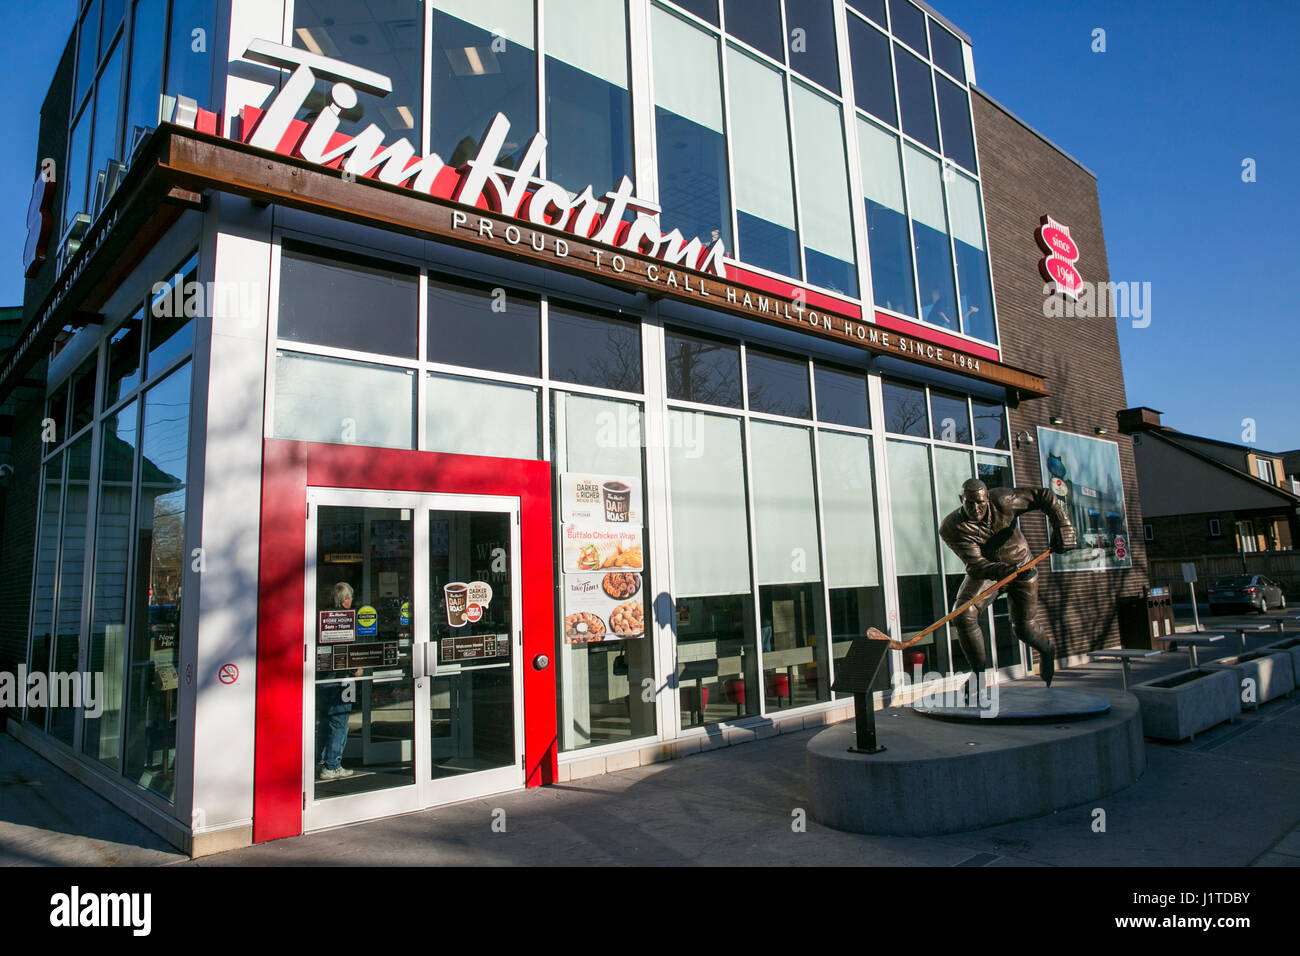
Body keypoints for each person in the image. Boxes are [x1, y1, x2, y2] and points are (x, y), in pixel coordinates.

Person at [938, 479, 1077, 691]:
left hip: (1023, 567)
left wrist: (1062, 525)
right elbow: (976, 564)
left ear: (987, 499)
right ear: (961, 501)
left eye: (980, 503)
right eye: (969, 503)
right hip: (990, 572)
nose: (976, 508)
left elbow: (1045, 496)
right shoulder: (952, 527)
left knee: (1024, 629)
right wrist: (1003, 571)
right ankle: (978, 677)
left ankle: (1047, 649)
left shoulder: (1003, 500)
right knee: (963, 614)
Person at [317, 581, 361, 781]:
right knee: (339, 721)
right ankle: (332, 765)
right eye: (350, 597)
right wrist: (355, 668)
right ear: (344, 600)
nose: (352, 600)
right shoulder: (344, 620)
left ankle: (322, 760)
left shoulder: (323, 618)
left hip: (324, 677)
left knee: (326, 720)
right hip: (340, 677)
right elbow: (344, 651)